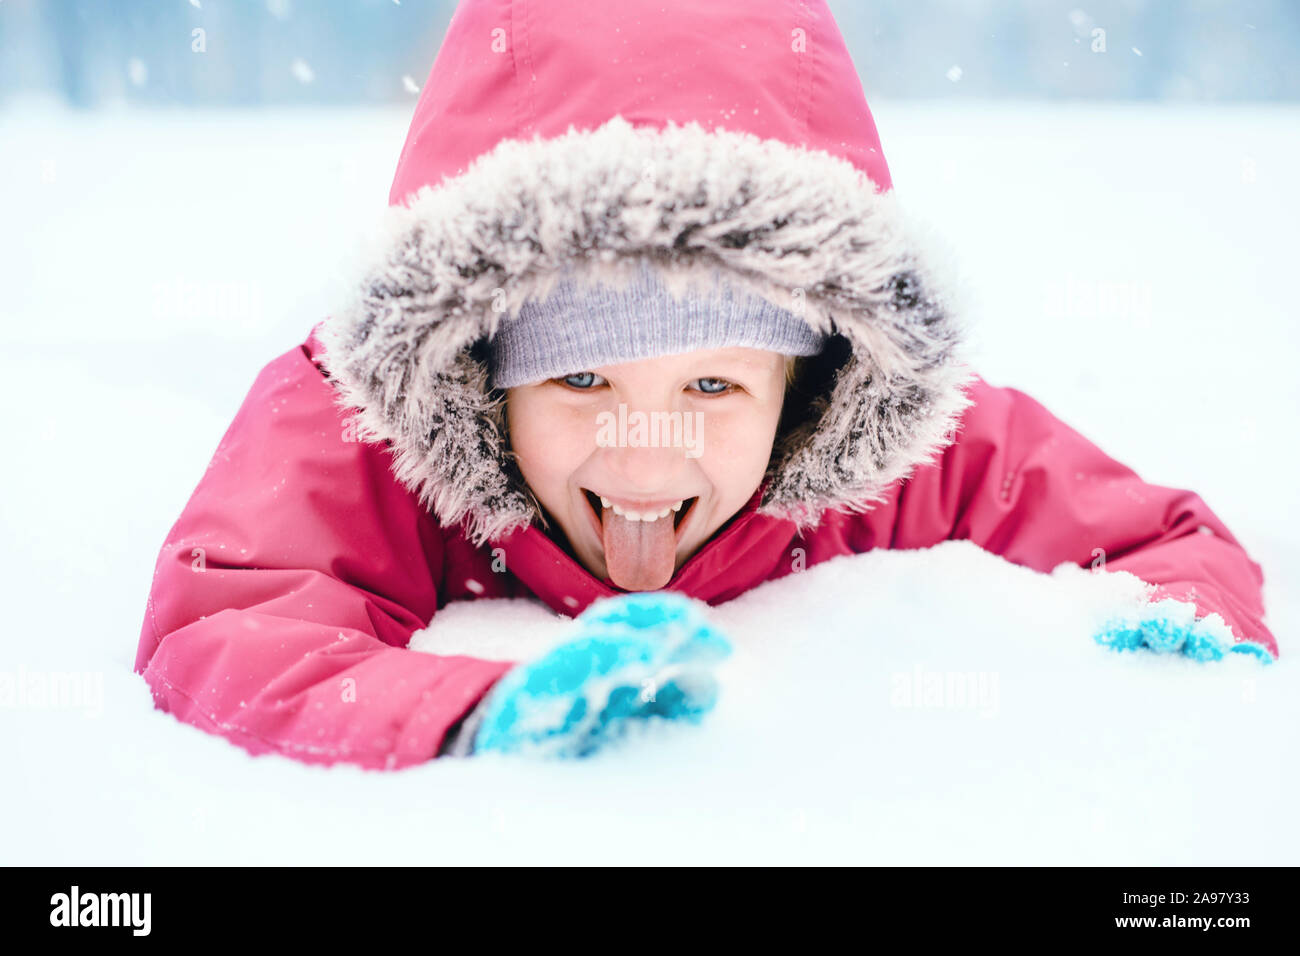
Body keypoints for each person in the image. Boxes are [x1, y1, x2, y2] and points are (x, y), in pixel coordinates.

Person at [134, 0, 1277, 770]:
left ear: (808, 379)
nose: (643, 453)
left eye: (716, 386)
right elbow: (236, 622)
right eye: (580, 375)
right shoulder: (372, 433)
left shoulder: (885, 451)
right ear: (478, 375)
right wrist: (473, 716)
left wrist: (1162, 658)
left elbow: (1158, 543)